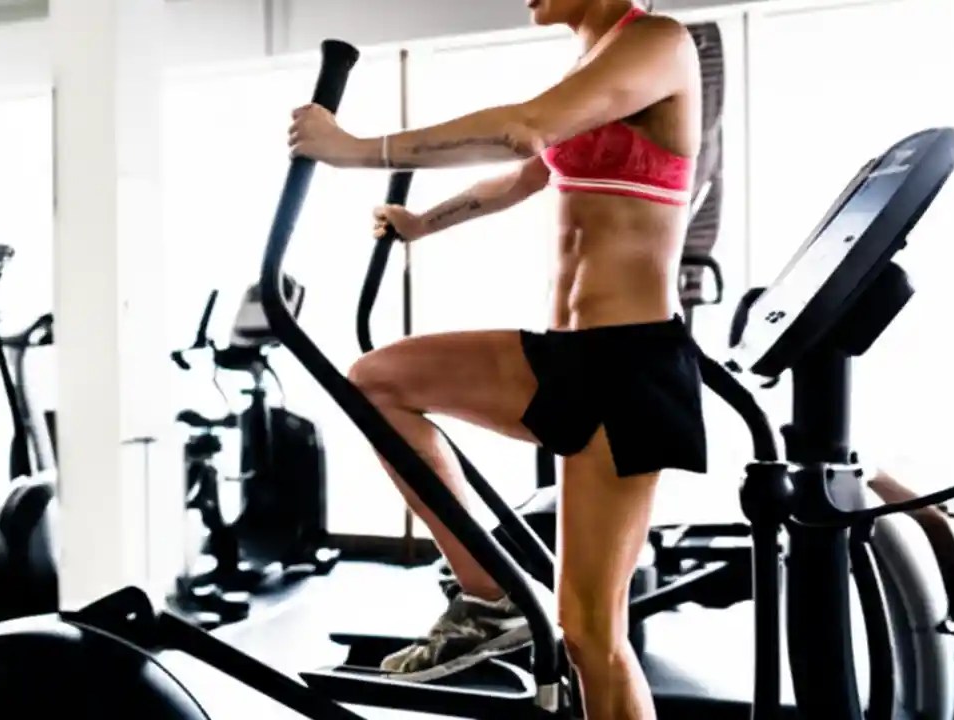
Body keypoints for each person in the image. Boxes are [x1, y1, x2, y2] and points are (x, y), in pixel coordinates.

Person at [288, 0, 704, 717]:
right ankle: (487, 594)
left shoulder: (659, 43)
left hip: (630, 366)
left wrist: (355, 149)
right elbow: (523, 175)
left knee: (592, 635)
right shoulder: (591, 65)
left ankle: (502, 605)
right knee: (377, 381)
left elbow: (523, 130)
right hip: (566, 354)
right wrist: (425, 223)